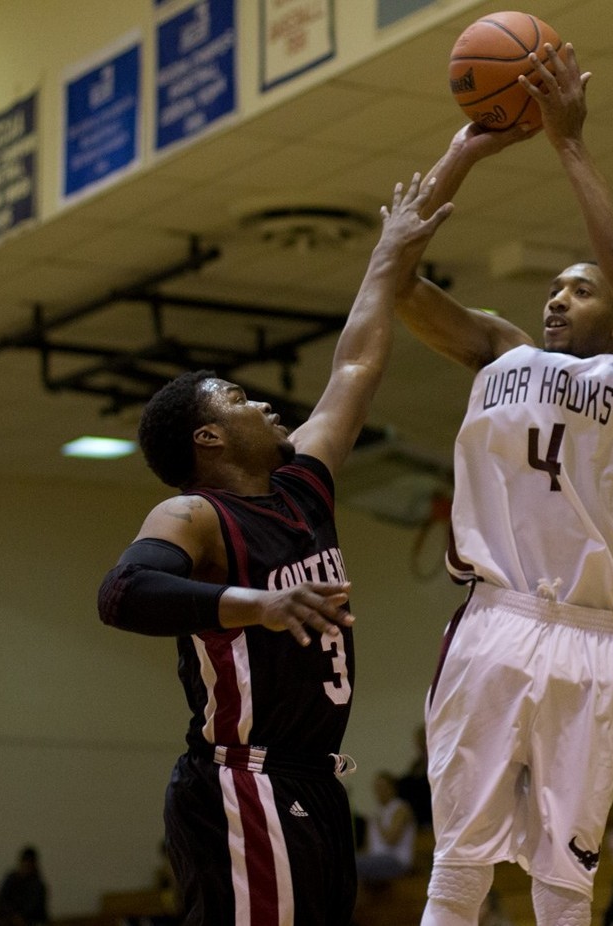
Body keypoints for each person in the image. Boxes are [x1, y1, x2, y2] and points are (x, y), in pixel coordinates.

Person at [96, 173, 453, 926]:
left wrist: (389, 252)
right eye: (235, 398)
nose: (260, 400)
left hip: (314, 784)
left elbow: (355, 366)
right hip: (240, 781)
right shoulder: (194, 515)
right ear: (208, 437)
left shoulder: (303, 488)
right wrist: (253, 605)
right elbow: (122, 594)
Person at [399, 43, 613, 926]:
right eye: (553, 289)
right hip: (496, 616)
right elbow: (395, 279)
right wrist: (468, 149)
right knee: (460, 865)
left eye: (578, 290)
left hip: (591, 637)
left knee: (565, 881)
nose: (559, 299)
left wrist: (570, 145)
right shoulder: (496, 350)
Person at [356, 770, 417, 884]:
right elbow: (368, 846)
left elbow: (391, 840)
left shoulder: (400, 808)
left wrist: (379, 823)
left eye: (383, 787)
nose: (380, 791)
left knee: (351, 864)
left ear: (393, 788)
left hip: (396, 860)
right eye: (377, 788)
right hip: (376, 860)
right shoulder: (377, 812)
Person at [0, 845, 48, 926]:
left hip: (29, 920)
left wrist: (20, 917)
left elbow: (34, 906)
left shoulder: (37, 885)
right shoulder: (11, 879)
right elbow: (1, 898)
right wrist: (12, 915)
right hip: (11, 917)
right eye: (25, 862)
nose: (26, 866)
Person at [396, 723, 433, 828]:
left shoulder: (441, 763)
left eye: (424, 740)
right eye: (420, 741)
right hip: (420, 825)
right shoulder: (415, 768)